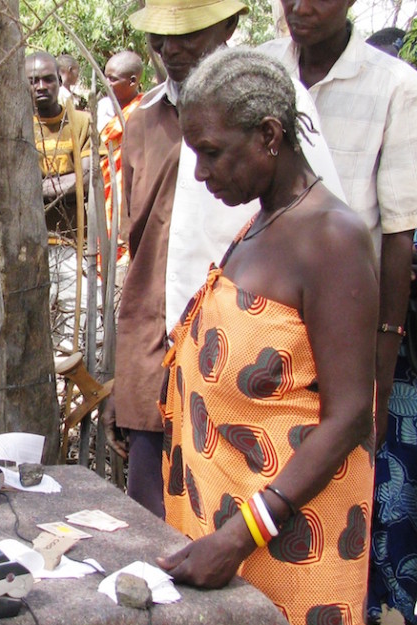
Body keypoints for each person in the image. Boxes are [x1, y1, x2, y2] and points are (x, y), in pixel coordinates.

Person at [157, 48, 377, 625]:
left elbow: (349, 414)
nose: (201, 173)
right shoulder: (260, 225)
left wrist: (246, 530)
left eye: (213, 153)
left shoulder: (332, 239)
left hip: (288, 544)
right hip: (232, 536)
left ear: (272, 137)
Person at [103, 0, 342, 518]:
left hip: (250, 380)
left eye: (186, 33)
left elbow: (310, 232)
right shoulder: (141, 121)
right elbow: (140, 258)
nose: (170, 50)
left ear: (229, 24)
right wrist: (128, 381)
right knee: (158, 533)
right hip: (158, 362)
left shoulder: (271, 103)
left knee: (234, 539)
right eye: (159, 38)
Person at [258, 0, 417, 625]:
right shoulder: (258, 70)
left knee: (335, 482)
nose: (299, 6)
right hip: (264, 323)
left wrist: (381, 362)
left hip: (346, 332)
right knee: (268, 474)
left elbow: (399, 234)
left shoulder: (394, 88)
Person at [25, 51, 92, 353]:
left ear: (60, 80)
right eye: (32, 81)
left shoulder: (80, 122)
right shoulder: (18, 127)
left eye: (48, 79)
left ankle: (73, 392)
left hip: (70, 242)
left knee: (77, 322)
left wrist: (37, 188)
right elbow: (13, 187)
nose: (41, 86)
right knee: (35, 328)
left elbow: (88, 178)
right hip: (28, 246)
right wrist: (65, 183)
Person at [97, 51, 143, 267]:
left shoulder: (143, 113)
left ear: (133, 81)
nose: (106, 83)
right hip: (110, 193)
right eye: (105, 77)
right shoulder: (117, 115)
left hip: (131, 194)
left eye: (113, 79)